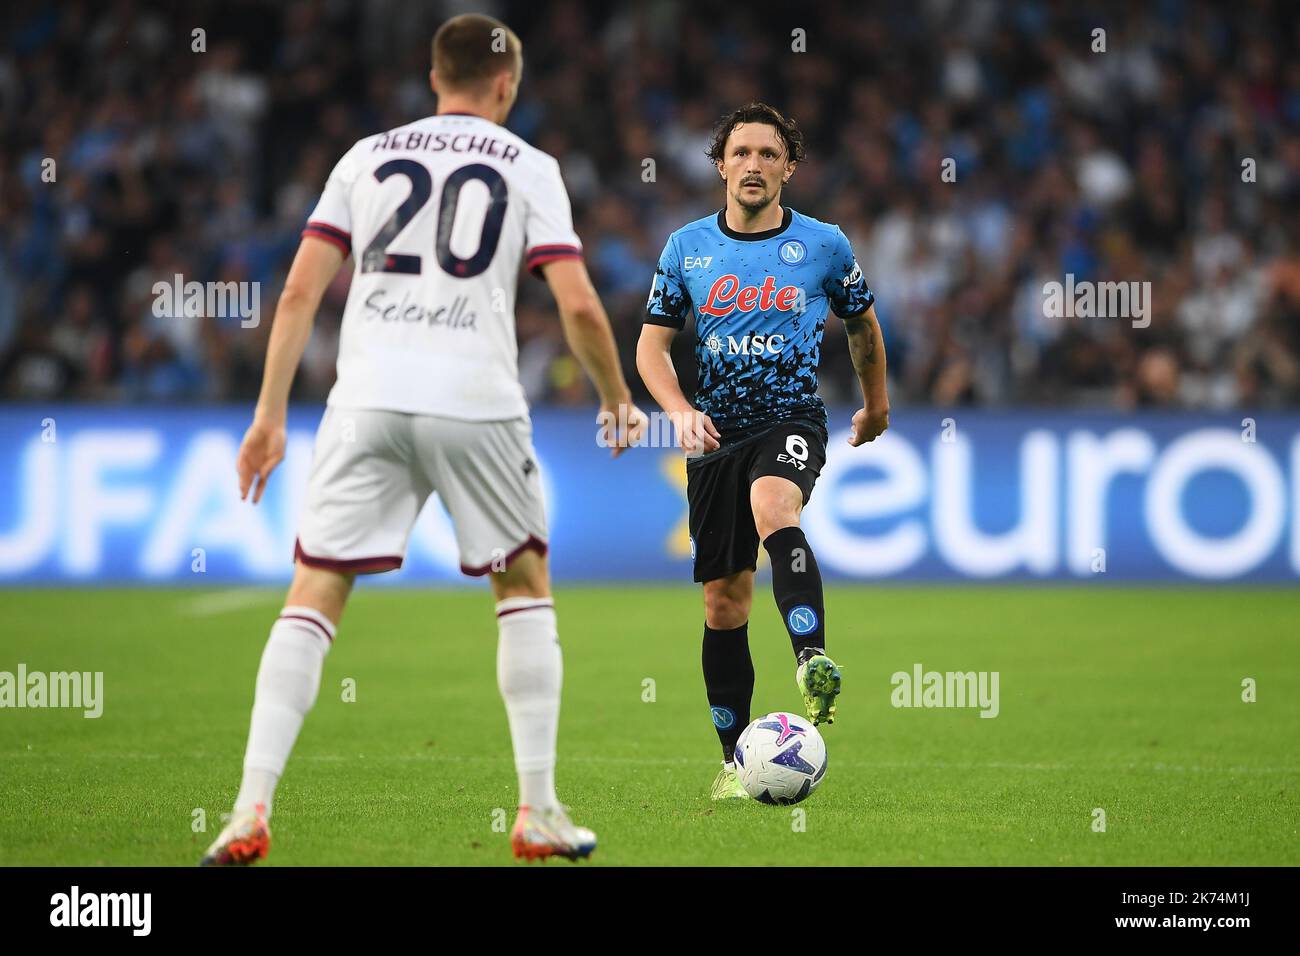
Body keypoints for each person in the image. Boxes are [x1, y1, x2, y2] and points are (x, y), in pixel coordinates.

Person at [202, 13, 645, 864]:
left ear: (433, 75)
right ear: (507, 84)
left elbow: (297, 295)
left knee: (315, 589)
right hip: (474, 400)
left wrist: (268, 415)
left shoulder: (362, 158)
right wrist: (617, 396)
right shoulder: (533, 167)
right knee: (522, 580)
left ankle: (248, 809)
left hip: (365, 398)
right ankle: (539, 811)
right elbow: (581, 304)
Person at [636, 102, 889, 800]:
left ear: (789, 168)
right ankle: (734, 761)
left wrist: (878, 404)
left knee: (774, 504)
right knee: (724, 602)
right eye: (741, 153)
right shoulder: (686, 248)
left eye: (768, 155)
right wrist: (680, 411)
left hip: (791, 420)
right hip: (716, 436)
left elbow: (862, 325)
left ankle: (812, 660)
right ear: (720, 165)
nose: (753, 165)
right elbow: (652, 346)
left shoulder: (825, 244)